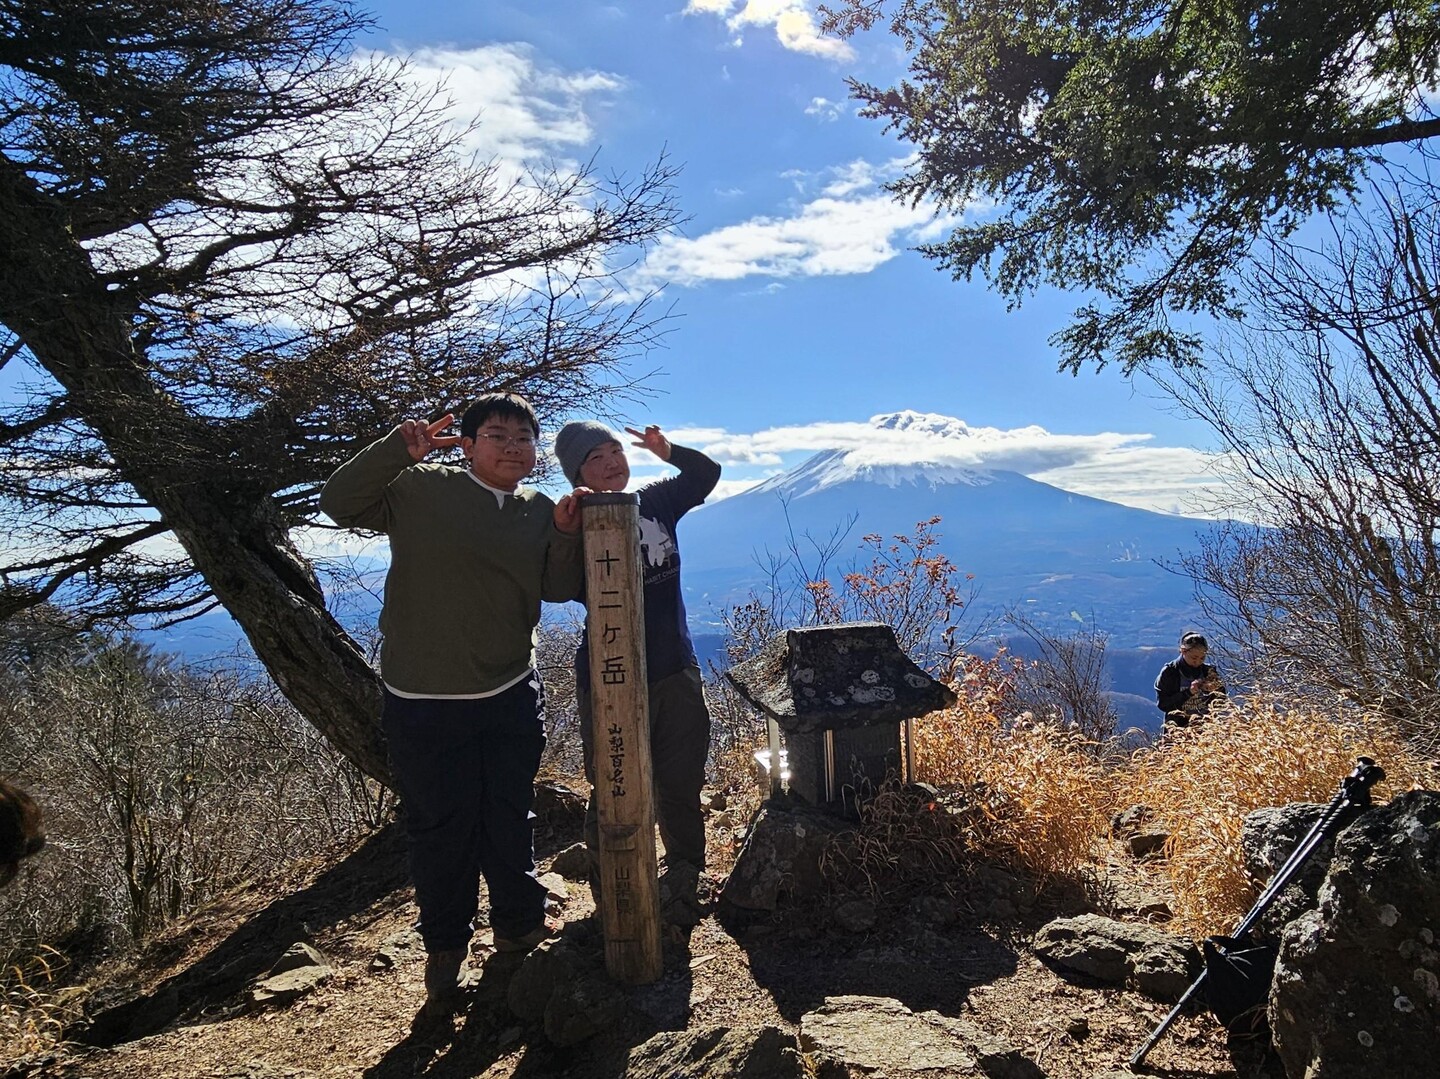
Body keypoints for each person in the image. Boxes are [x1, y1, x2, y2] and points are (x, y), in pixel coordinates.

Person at [320, 393, 586, 1017]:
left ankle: (518, 929)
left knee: (508, 814)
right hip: (424, 697)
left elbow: (557, 588)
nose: (514, 446)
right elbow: (337, 504)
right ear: (466, 444)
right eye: (498, 435)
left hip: (510, 689)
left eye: (524, 436)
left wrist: (568, 536)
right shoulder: (419, 490)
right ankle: (445, 951)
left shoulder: (539, 508)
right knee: (440, 828)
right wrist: (394, 450)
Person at [553, 420, 720, 915]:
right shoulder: (570, 517)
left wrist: (667, 450)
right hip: (609, 680)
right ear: (576, 473)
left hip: (675, 667)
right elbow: (557, 586)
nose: (612, 462)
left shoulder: (656, 500)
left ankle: (687, 874)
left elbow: (705, 474)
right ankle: (617, 896)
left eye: (614, 451)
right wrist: (566, 531)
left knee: (682, 778)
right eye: (595, 458)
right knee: (614, 784)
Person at [1155, 632, 1226, 728]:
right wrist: (1189, 692)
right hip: (1177, 731)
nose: (1198, 662)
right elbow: (1163, 704)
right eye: (1194, 658)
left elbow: (1221, 701)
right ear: (1183, 651)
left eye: (1202, 658)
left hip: (1206, 729)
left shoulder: (1208, 672)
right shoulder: (1170, 672)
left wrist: (1214, 691)